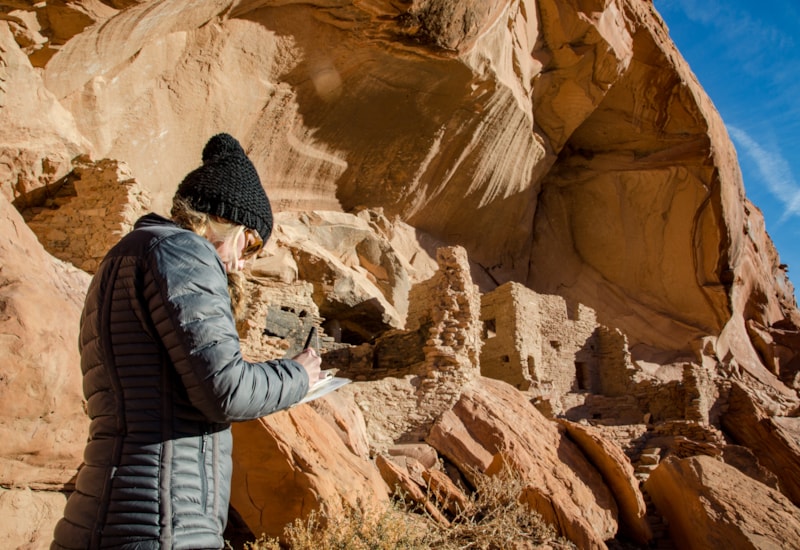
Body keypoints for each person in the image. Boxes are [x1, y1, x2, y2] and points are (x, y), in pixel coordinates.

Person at [51, 133, 322, 549]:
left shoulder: (122, 257)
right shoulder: (186, 254)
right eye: (249, 244)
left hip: (102, 514)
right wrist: (298, 375)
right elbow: (226, 391)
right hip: (162, 521)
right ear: (221, 219)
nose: (244, 263)